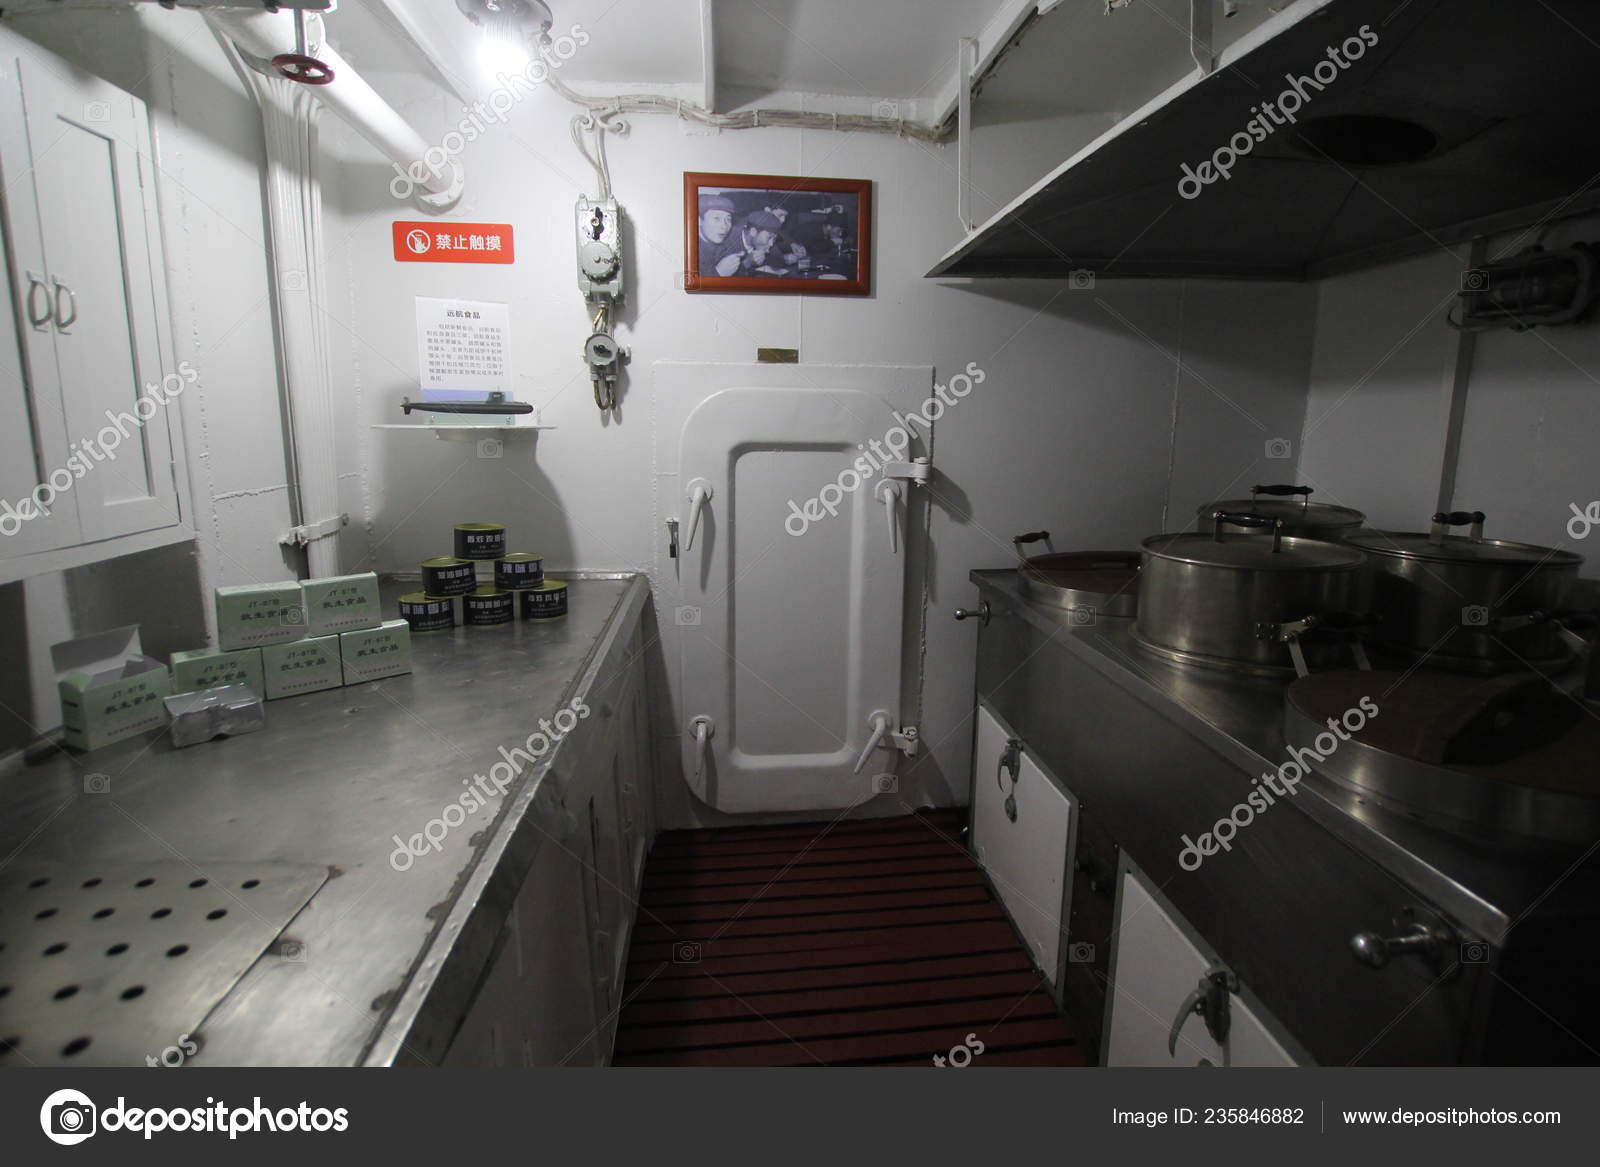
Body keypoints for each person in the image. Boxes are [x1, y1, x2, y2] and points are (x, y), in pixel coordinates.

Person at [714, 210, 791, 277]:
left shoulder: (766, 241)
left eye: (774, 239)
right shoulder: (727, 242)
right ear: (753, 231)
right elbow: (722, 278)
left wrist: (785, 258)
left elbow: (779, 261)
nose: (771, 244)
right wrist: (747, 263)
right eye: (769, 237)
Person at [696, 193, 736, 275]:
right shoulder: (690, 251)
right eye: (716, 218)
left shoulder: (724, 245)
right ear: (699, 221)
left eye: (728, 219)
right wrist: (718, 273)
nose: (724, 226)